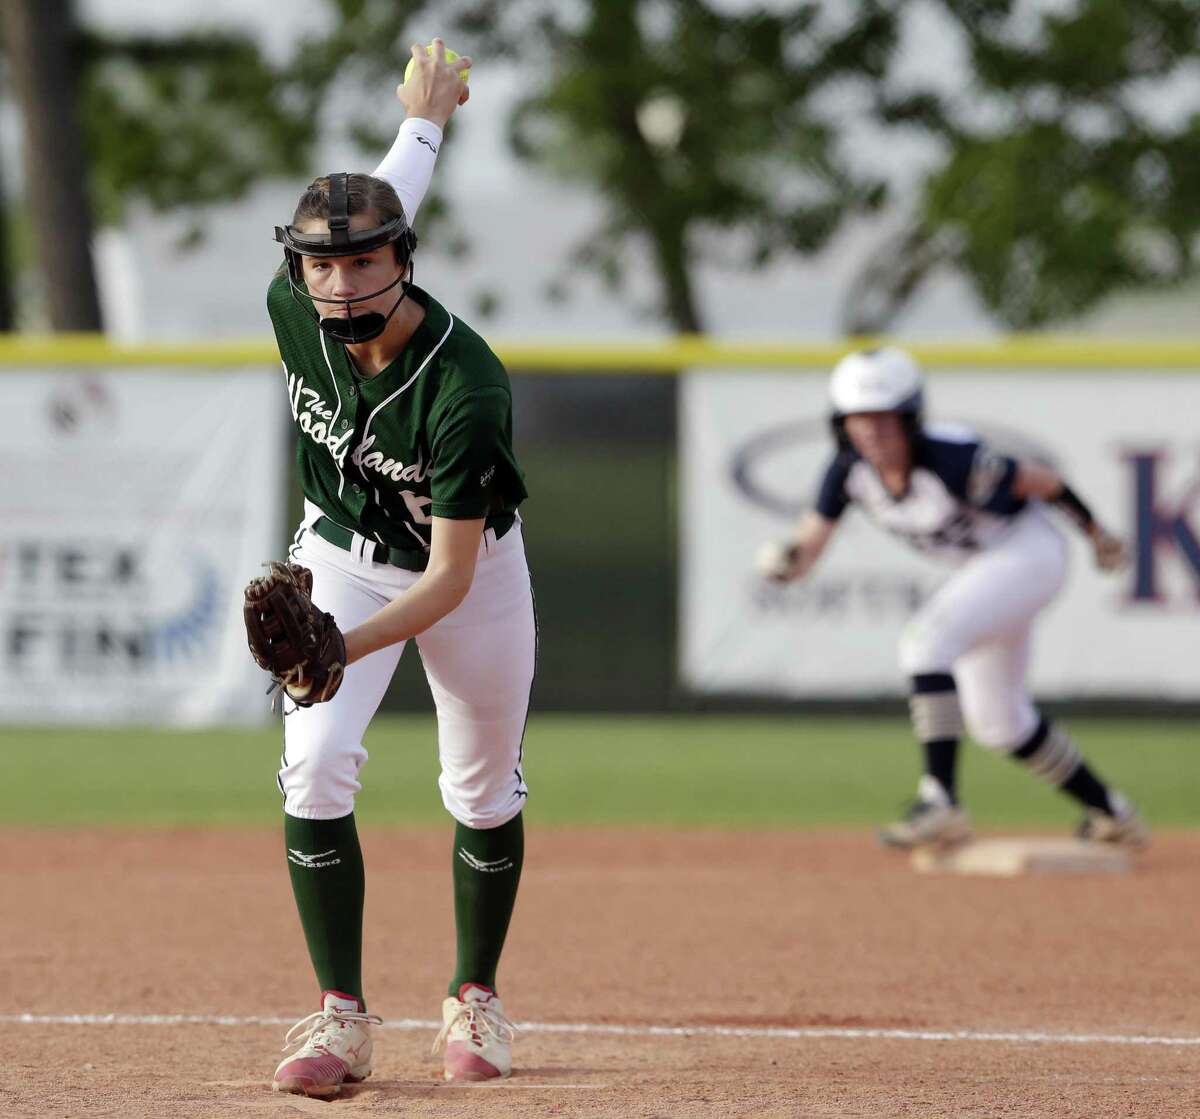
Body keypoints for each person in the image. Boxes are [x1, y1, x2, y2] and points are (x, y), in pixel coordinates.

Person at [261, 42, 534, 1097]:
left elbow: (451, 580)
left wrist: (336, 648)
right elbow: (377, 197)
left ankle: (477, 993)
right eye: (320, 264)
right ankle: (340, 1020)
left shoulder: (466, 387)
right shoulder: (297, 310)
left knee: (480, 787)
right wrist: (423, 121)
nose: (340, 280)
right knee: (317, 765)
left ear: (405, 262)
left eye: (365, 260)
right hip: (340, 555)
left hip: (465, 573)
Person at [757, 346, 1147, 851]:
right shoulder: (849, 471)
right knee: (1000, 722)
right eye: (858, 419)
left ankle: (940, 802)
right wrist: (788, 561)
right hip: (988, 569)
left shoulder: (954, 460)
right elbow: (810, 542)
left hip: (1029, 553)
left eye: (884, 417)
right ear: (841, 423)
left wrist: (1097, 534)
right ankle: (1112, 814)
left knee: (925, 642)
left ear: (910, 417)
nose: (871, 431)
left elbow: (1044, 483)